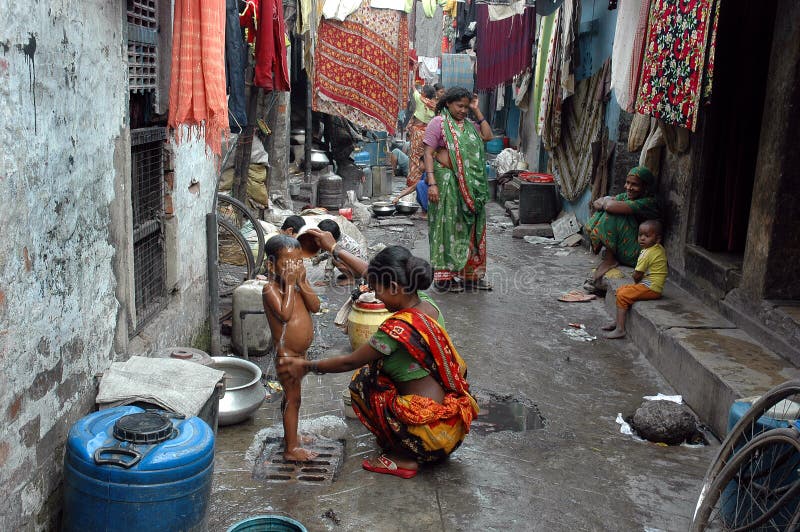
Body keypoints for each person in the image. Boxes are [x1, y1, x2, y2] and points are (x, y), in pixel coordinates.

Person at [278, 232, 479, 479]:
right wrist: (335, 249)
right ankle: (407, 442)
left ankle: (404, 458)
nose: (375, 294)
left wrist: (307, 366)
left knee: (365, 381)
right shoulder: (427, 304)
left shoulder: (396, 330)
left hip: (427, 437)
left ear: (394, 288)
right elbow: (370, 274)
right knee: (381, 374)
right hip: (449, 428)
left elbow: (349, 361)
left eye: (377, 290)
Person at [423, 87, 494, 292]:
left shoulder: (470, 126)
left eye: (466, 106)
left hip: (471, 188)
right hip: (445, 183)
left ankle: (470, 275)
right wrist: (432, 183)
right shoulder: (439, 123)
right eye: (459, 105)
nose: (463, 110)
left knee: (471, 228)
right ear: (448, 103)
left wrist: (477, 111)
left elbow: (488, 136)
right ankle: (444, 278)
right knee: (447, 226)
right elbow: (428, 153)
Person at [261, 235, 322, 461]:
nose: (294, 267)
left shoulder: (297, 287)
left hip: (300, 354)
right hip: (287, 357)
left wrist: (303, 283)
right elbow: (285, 315)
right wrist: (288, 284)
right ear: (271, 265)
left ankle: (292, 437)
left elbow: (315, 307)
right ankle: (291, 449)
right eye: (288, 263)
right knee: (293, 399)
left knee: (293, 398)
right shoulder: (270, 289)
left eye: (298, 262)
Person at [584, 166, 661, 292]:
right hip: (627, 247)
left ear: (645, 187)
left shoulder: (649, 202)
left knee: (612, 214)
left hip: (640, 255)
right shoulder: (627, 197)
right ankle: (609, 256)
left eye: (634, 184)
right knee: (604, 211)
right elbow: (597, 202)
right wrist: (606, 202)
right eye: (627, 183)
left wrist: (607, 202)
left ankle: (609, 259)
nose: (628, 187)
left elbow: (608, 206)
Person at [603, 220, 667, 339]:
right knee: (621, 289)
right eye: (640, 235)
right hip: (654, 285)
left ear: (657, 239)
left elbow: (637, 275)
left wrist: (637, 284)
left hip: (651, 287)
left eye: (647, 236)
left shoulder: (646, 254)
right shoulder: (658, 248)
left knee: (623, 295)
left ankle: (620, 329)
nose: (642, 238)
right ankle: (618, 321)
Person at [315, 218, 367, 286]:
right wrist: (319, 258)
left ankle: (350, 279)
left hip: (358, 271)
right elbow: (327, 252)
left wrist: (326, 281)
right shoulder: (340, 237)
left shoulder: (338, 246)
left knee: (334, 260)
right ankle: (348, 274)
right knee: (338, 257)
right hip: (361, 267)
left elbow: (329, 265)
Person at [405, 85, 438, 188]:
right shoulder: (435, 106)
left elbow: (413, 88)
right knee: (425, 158)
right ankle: (423, 182)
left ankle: (412, 183)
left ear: (424, 93)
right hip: (428, 134)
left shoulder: (420, 99)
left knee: (414, 158)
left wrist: (414, 71)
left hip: (418, 133)